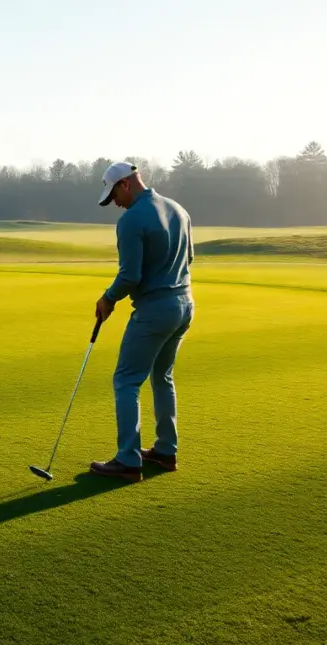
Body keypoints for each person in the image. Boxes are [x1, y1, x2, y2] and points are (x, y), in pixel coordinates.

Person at [89, 162, 195, 482]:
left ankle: (127, 460)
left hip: (154, 310)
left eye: (114, 196)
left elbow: (130, 275)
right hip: (185, 305)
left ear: (125, 184)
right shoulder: (178, 209)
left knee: (126, 381)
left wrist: (108, 298)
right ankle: (165, 450)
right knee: (162, 376)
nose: (115, 204)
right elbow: (189, 258)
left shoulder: (131, 219)